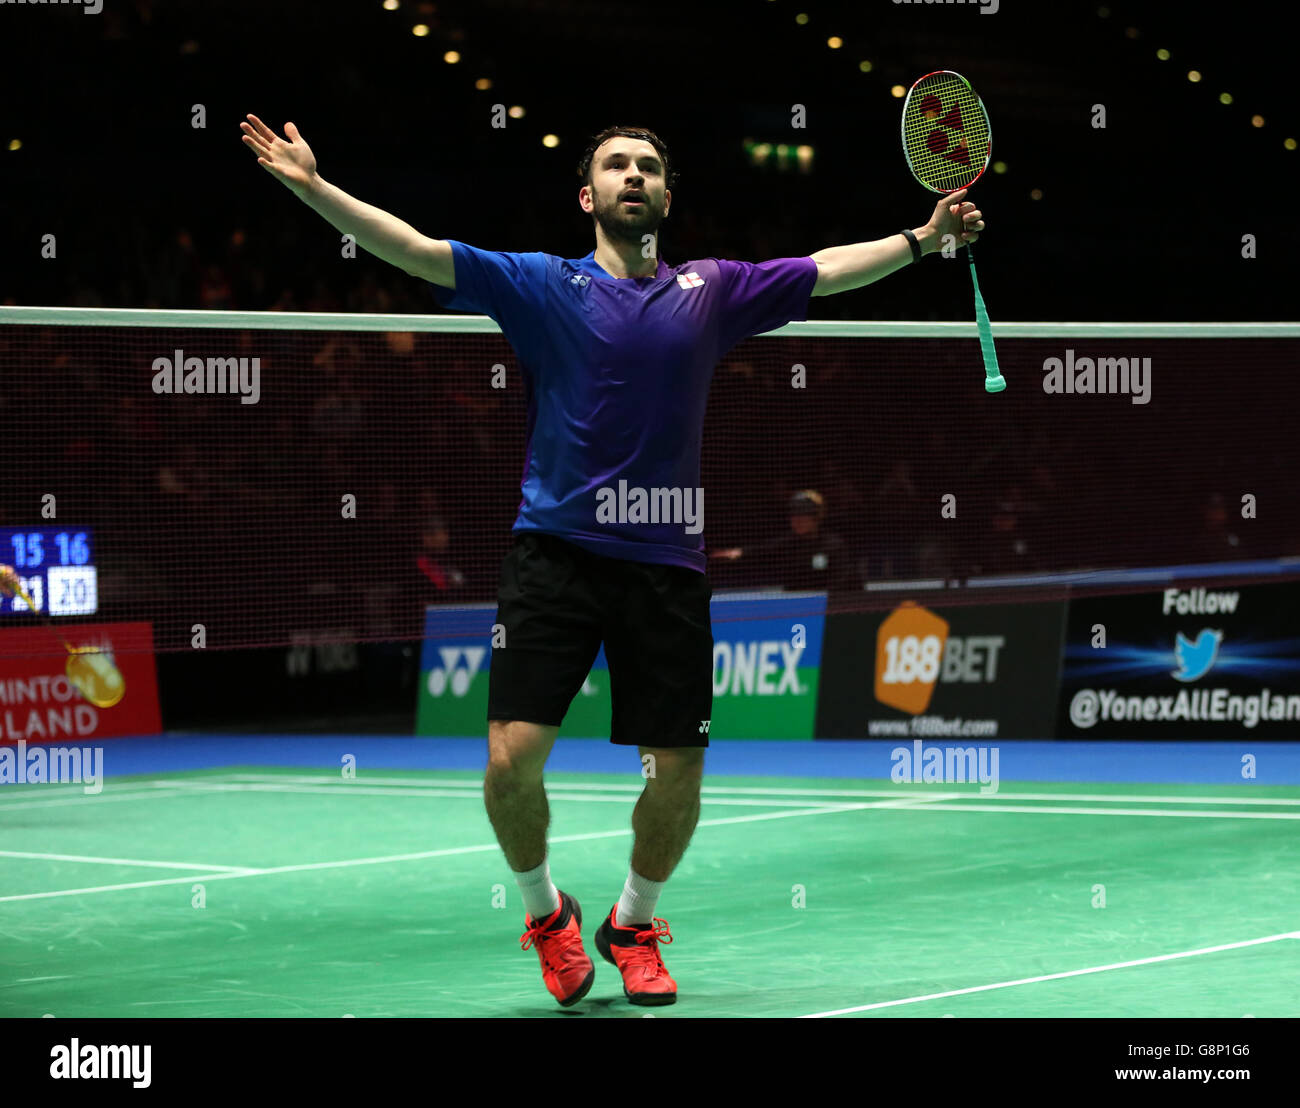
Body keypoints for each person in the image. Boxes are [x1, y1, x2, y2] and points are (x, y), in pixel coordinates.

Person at [239, 114, 986, 1007]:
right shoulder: (541, 285)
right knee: (510, 763)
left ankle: (634, 924)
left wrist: (924, 237)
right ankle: (547, 916)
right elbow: (412, 249)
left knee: (680, 775)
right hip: (554, 553)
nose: (634, 176)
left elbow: (826, 269)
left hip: (665, 564)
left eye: (649, 167)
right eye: (616, 166)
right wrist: (312, 189)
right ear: (587, 196)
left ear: (668, 196)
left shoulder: (714, 288)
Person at [710, 489, 856, 591]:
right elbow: (762, 551)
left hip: (825, 609)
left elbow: (842, 582)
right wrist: (739, 553)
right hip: (792, 605)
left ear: (816, 518)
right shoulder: (788, 543)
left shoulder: (833, 546)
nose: (796, 520)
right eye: (794, 515)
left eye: (802, 515)